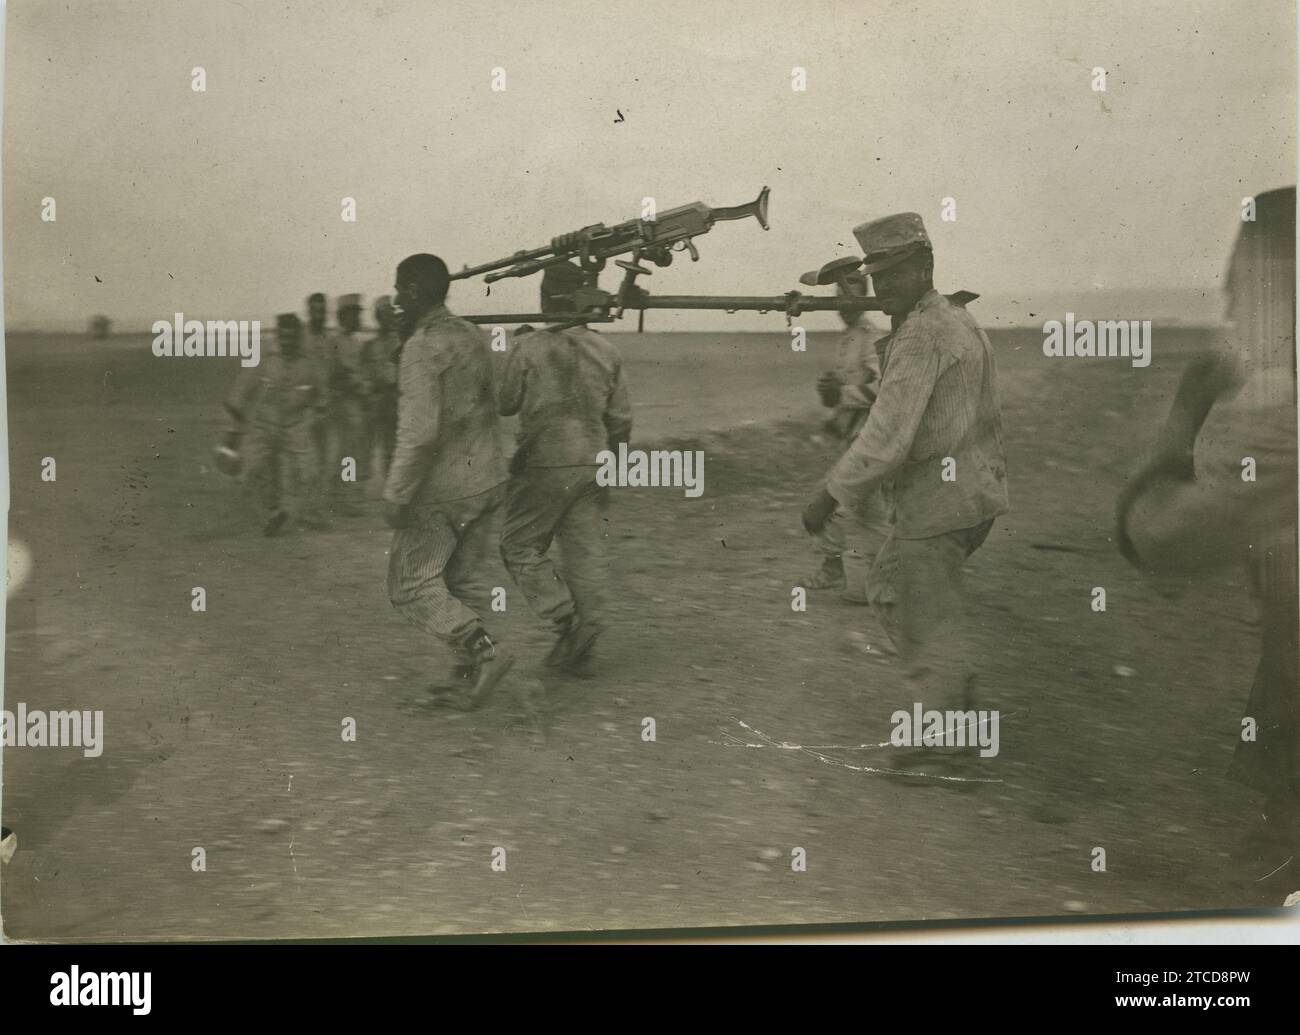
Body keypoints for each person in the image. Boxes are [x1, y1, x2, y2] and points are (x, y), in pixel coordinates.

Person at [1117, 186, 1297, 901]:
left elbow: (1165, 537)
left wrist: (1185, 413)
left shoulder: (1284, 423)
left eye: (1241, 287)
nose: (1228, 309)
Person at [801, 213, 1009, 764]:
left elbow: (887, 437)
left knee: (921, 612)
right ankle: (956, 710)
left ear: (925, 268)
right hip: (972, 492)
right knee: (892, 589)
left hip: (941, 502)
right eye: (878, 276)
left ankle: (943, 743)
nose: (883, 288)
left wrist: (830, 493)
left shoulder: (921, 335)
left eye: (895, 274)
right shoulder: (958, 319)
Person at [383, 254, 512, 706]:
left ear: (414, 291)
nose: (397, 299)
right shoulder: (472, 335)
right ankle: (466, 677)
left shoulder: (423, 346)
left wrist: (396, 493)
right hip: (489, 478)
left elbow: (419, 434)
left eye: (400, 290)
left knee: (411, 584)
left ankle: (484, 653)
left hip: (444, 488)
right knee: (458, 580)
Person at [497, 261, 633, 671]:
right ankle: (584, 640)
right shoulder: (606, 349)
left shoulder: (530, 346)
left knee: (519, 545)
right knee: (583, 551)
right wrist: (614, 469)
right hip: (593, 459)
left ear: (546, 299)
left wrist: (516, 346)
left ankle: (564, 619)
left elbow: (506, 403)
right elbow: (622, 420)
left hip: (545, 460)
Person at [802, 271, 890, 604]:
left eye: (850, 295)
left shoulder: (872, 337)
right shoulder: (848, 337)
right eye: (839, 295)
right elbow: (841, 394)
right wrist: (831, 396)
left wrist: (843, 392)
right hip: (852, 434)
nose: (842, 303)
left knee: (831, 501)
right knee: (865, 509)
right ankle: (870, 581)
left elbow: (884, 388)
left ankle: (838, 571)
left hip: (870, 435)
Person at [218, 314, 322, 535]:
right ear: (277, 336)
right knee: (254, 469)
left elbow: (321, 396)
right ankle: (272, 513)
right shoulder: (264, 360)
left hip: (296, 424)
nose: (287, 341)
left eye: (292, 337)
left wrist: (315, 415)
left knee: (309, 471)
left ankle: (309, 516)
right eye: (283, 336)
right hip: (264, 424)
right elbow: (241, 393)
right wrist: (232, 433)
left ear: (299, 337)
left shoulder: (309, 364)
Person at [361, 294, 401, 484]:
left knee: (394, 449)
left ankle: (392, 488)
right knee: (366, 448)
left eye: (390, 313)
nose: (387, 318)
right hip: (376, 404)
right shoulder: (370, 346)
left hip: (397, 402)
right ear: (377, 317)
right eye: (382, 314)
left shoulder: (402, 342)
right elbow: (365, 373)